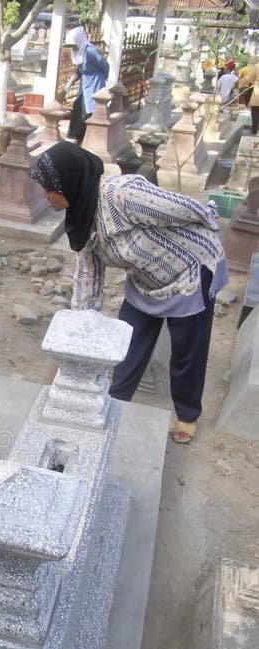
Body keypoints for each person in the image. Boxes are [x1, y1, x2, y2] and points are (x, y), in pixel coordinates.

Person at [29, 142, 229, 444]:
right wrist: (80, 329)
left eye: (49, 189)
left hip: (188, 271)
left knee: (187, 352)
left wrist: (209, 218)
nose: (45, 196)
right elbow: (87, 275)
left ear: (67, 183)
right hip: (145, 281)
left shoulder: (122, 195)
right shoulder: (82, 220)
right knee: (128, 347)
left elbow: (180, 207)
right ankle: (116, 401)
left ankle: (187, 414)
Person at [60, 26, 109, 142]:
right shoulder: (78, 53)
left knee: (88, 110)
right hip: (85, 84)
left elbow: (105, 65)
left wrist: (103, 78)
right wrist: (69, 84)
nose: (73, 48)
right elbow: (80, 70)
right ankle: (74, 137)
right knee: (77, 106)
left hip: (95, 83)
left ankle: (88, 138)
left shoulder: (90, 51)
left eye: (74, 45)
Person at [238, 60, 259, 133]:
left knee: (255, 112)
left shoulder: (257, 66)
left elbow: (250, 78)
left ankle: (254, 130)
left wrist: (240, 83)